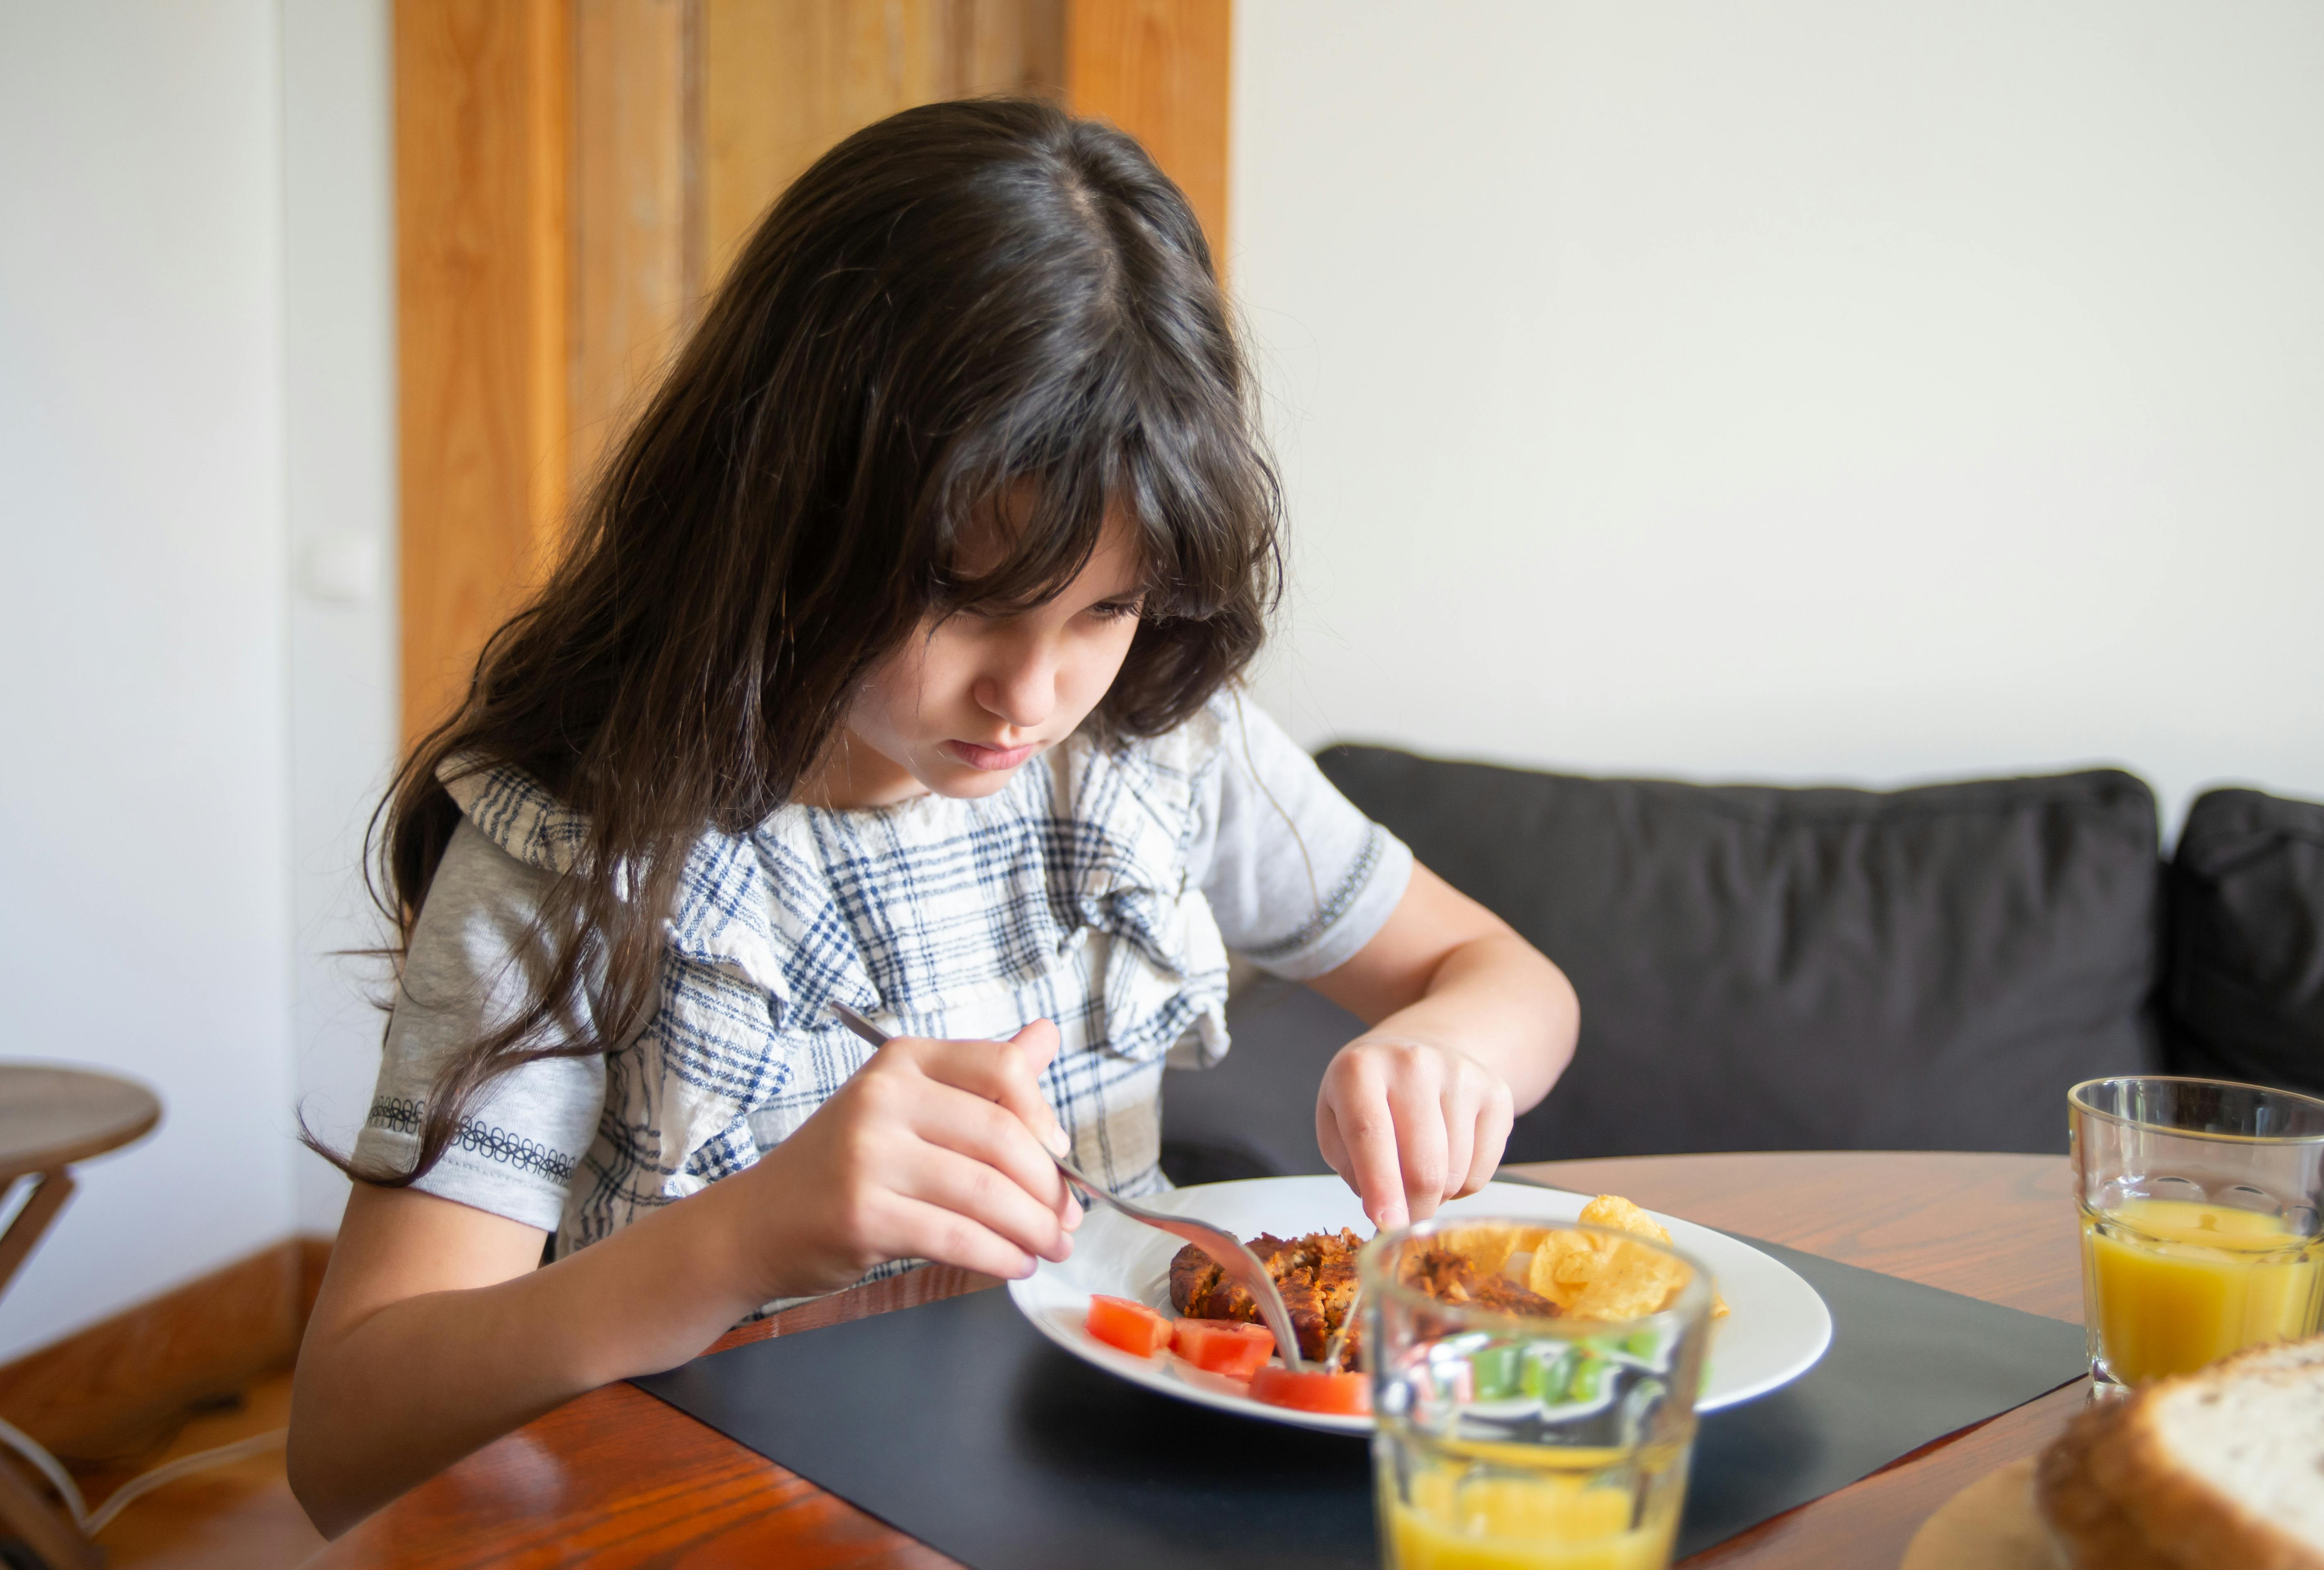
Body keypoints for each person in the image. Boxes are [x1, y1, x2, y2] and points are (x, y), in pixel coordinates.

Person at [287, 97, 1576, 1535]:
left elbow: (1510, 983)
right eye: (967, 601)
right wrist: (738, 1240)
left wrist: (1445, 1051)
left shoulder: (1159, 749)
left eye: (1108, 606)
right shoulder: (580, 852)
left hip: (1104, 1510)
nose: (1033, 695)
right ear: (787, 510)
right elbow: (348, 1433)